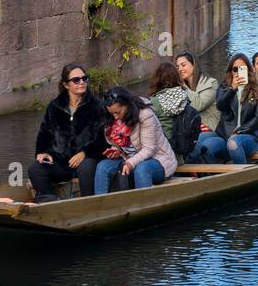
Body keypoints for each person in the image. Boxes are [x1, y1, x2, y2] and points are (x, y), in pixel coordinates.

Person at [27, 64, 105, 202]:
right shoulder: (54, 106)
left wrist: (85, 153)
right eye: (76, 80)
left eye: (84, 78)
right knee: (35, 168)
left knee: (87, 167)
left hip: (86, 161)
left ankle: (88, 204)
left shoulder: (97, 106)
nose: (82, 82)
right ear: (66, 85)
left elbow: (103, 138)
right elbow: (45, 133)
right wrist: (42, 151)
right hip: (61, 162)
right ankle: (49, 202)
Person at [92, 87, 178, 193]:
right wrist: (115, 150)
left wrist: (130, 163)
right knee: (103, 166)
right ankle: (100, 206)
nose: (115, 117)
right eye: (112, 113)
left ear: (127, 105)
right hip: (128, 159)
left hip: (158, 159)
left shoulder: (145, 115)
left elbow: (149, 149)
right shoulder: (113, 119)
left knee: (142, 169)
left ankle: (143, 206)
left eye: (117, 112)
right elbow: (119, 144)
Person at [211, 52, 258, 164]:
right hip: (226, 135)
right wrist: (232, 89)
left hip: (249, 136)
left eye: (242, 68)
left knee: (233, 143)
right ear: (231, 71)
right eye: (235, 69)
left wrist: (240, 130)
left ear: (248, 70)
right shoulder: (224, 87)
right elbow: (220, 106)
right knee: (205, 146)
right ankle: (211, 177)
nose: (238, 72)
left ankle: (243, 177)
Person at [177, 51, 221, 162]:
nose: (180, 69)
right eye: (177, 67)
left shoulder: (211, 83)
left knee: (193, 143)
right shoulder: (180, 89)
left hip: (209, 130)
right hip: (189, 131)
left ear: (194, 65)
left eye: (183, 65)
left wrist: (182, 86)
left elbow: (198, 105)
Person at [148, 61, 189, 144]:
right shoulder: (184, 95)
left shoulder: (154, 101)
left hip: (165, 142)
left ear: (157, 79)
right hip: (184, 139)